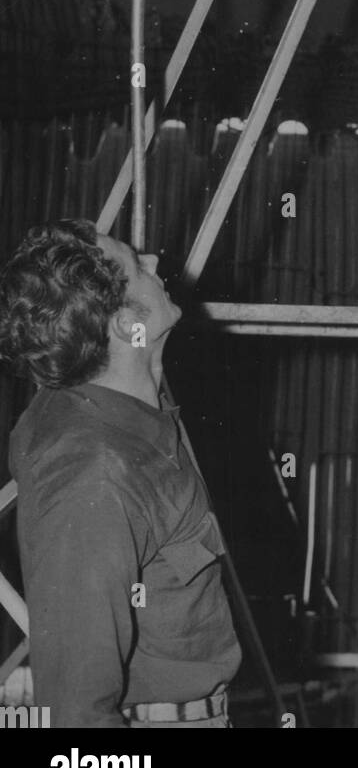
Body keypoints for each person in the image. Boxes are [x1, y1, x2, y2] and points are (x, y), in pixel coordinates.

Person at [0, 219, 241, 728]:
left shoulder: (101, 409)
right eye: (138, 265)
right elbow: (77, 715)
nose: (155, 262)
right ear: (123, 325)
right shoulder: (98, 474)